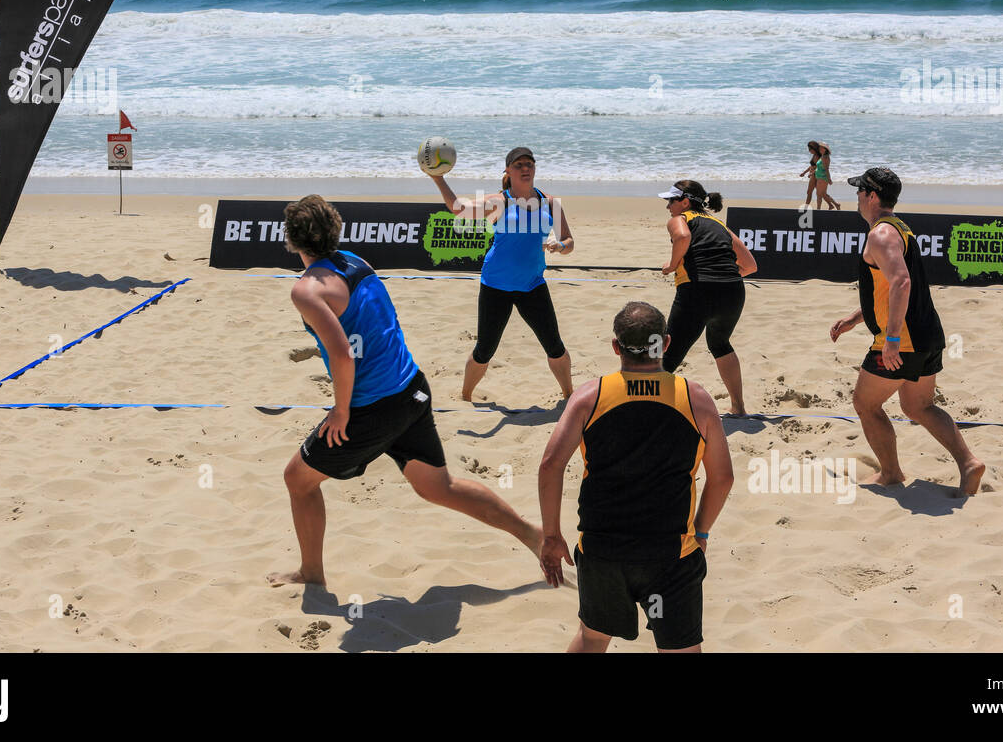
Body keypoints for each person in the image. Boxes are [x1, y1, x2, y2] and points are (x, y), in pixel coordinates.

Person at [268, 195, 543, 587]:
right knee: (439, 488)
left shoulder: (306, 290)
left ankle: (311, 573)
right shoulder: (354, 261)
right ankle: (532, 534)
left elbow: (344, 356)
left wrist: (341, 410)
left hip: (372, 407)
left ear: (292, 240)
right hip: (412, 389)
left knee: (297, 479)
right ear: (334, 228)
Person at [538, 301, 733, 653]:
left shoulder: (590, 396)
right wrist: (701, 531)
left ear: (616, 347)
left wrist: (552, 535)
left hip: (603, 550)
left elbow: (551, 465)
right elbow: (722, 478)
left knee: (593, 637)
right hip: (670, 553)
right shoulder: (696, 399)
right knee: (680, 648)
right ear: (667, 343)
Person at [829, 167, 984, 496]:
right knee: (918, 407)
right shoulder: (900, 229)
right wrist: (856, 319)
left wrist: (893, 340)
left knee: (865, 404)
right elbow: (889, 287)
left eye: (859, 191)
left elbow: (901, 282)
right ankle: (969, 464)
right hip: (928, 335)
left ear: (872, 196)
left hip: (904, 341)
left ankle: (891, 474)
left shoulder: (880, 235)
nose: (856, 197)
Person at [426, 146, 574, 402]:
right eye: (519, 165)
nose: (525, 169)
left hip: (533, 285)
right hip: (496, 285)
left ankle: (569, 395)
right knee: (484, 350)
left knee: (555, 346)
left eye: (529, 164)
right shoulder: (499, 202)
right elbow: (458, 208)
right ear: (508, 171)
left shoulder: (551, 203)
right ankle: (465, 396)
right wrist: (438, 178)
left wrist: (560, 246)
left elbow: (569, 240)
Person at [657, 180, 757, 416]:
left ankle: (651, 409)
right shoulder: (719, 224)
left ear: (685, 202)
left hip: (697, 291)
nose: (668, 206)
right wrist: (725, 276)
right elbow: (750, 265)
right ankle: (738, 407)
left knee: (668, 352)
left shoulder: (679, 220)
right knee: (720, 344)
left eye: (671, 201)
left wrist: (672, 266)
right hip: (733, 291)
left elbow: (682, 238)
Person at [800, 141, 841, 211]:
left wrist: (829, 179)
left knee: (815, 193)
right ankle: (832, 205)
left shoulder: (822, 157)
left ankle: (810, 208)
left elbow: (821, 168)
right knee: (822, 194)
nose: (809, 151)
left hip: (818, 176)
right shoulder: (819, 156)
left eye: (810, 149)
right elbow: (813, 166)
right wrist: (805, 172)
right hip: (817, 175)